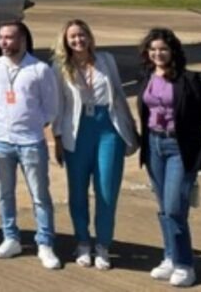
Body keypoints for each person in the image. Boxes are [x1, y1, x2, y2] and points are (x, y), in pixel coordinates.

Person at [51, 19, 138, 270]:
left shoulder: (106, 60)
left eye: (82, 35)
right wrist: (57, 138)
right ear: (66, 42)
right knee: (77, 191)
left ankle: (103, 244)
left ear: (89, 37)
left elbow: (119, 94)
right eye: (72, 37)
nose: (78, 40)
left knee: (107, 190)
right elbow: (58, 106)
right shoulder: (59, 67)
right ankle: (83, 242)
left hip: (108, 128)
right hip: (77, 131)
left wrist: (130, 126)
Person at [137, 27, 201, 288]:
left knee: (174, 208)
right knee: (163, 209)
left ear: (173, 52)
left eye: (163, 49)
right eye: (154, 49)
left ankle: (184, 265)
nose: (158, 53)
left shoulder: (188, 79)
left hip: (179, 148)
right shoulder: (146, 76)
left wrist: (178, 125)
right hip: (153, 145)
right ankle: (170, 256)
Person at [0, 20, 61, 269]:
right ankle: (10, 238)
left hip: (30, 141)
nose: (4, 42)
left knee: (40, 195)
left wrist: (34, 122)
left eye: (9, 37)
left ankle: (45, 242)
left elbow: (51, 107)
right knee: (4, 194)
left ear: (23, 40)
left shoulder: (39, 69)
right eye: (1, 37)